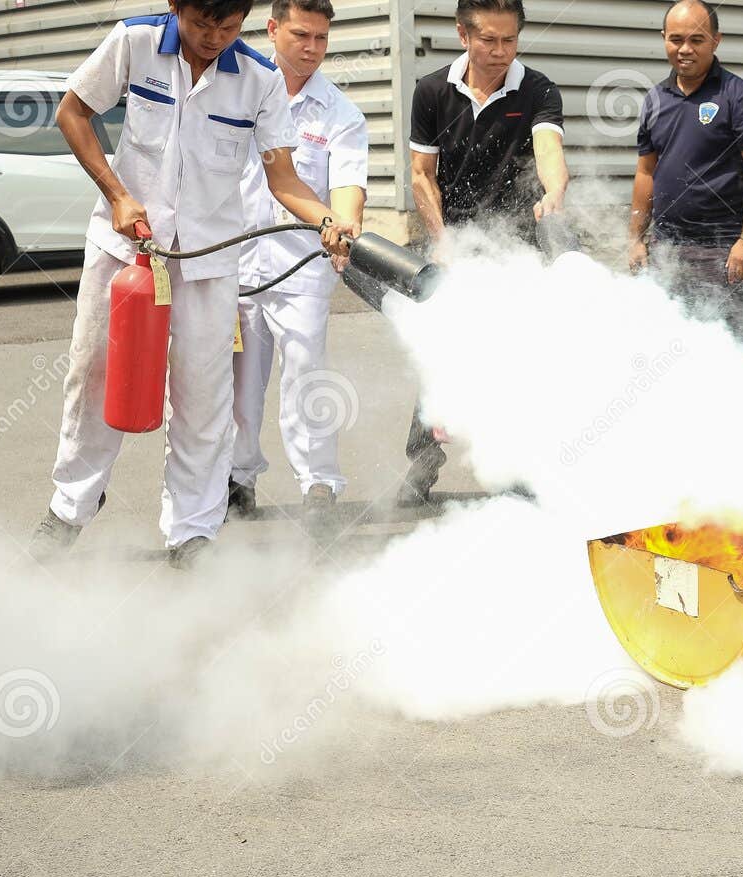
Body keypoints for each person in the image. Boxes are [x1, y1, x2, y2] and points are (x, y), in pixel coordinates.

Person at [31, 0, 354, 570]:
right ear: (177, 7)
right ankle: (70, 507)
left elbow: (283, 174)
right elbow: (73, 113)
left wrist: (326, 220)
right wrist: (118, 195)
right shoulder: (133, 42)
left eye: (229, 28)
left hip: (207, 265)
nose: (215, 38)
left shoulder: (258, 78)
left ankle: (192, 531)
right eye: (204, 24)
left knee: (203, 398)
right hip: (125, 252)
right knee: (95, 378)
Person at [401, 0, 568, 505]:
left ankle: (518, 476)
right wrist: (442, 239)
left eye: (510, 40)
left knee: (516, 363)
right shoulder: (431, 91)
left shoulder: (538, 89)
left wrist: (555, 190)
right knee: (441, 357)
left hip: (517, 247)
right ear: (462, 35)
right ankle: (420, 468)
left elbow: (548, 152)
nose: (500, 52)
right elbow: (421, 175)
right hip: (454, 244)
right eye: (488, 40)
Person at [229, 0, 368, 536]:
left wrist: (343, 226)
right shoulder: (234, 91)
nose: (311, 49)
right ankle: (238, 478)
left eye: (321, 39)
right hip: (234, 265)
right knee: (238, 383)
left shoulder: (339, 113)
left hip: (302, 270)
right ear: (271, 29)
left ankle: (319, 483)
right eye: (300, 35)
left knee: (307, 376)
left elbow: (348, 184)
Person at [628, 0, 743, 352]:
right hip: (666, 249)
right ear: (663, 38)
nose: (685, 49)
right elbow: (646, 171)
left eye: (697, 39)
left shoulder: (740, 97)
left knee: (732, 352)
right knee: (664, 348)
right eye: (676, 39)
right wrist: (635, 236)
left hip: (723, 251)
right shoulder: (655, 100)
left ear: (716, 40)